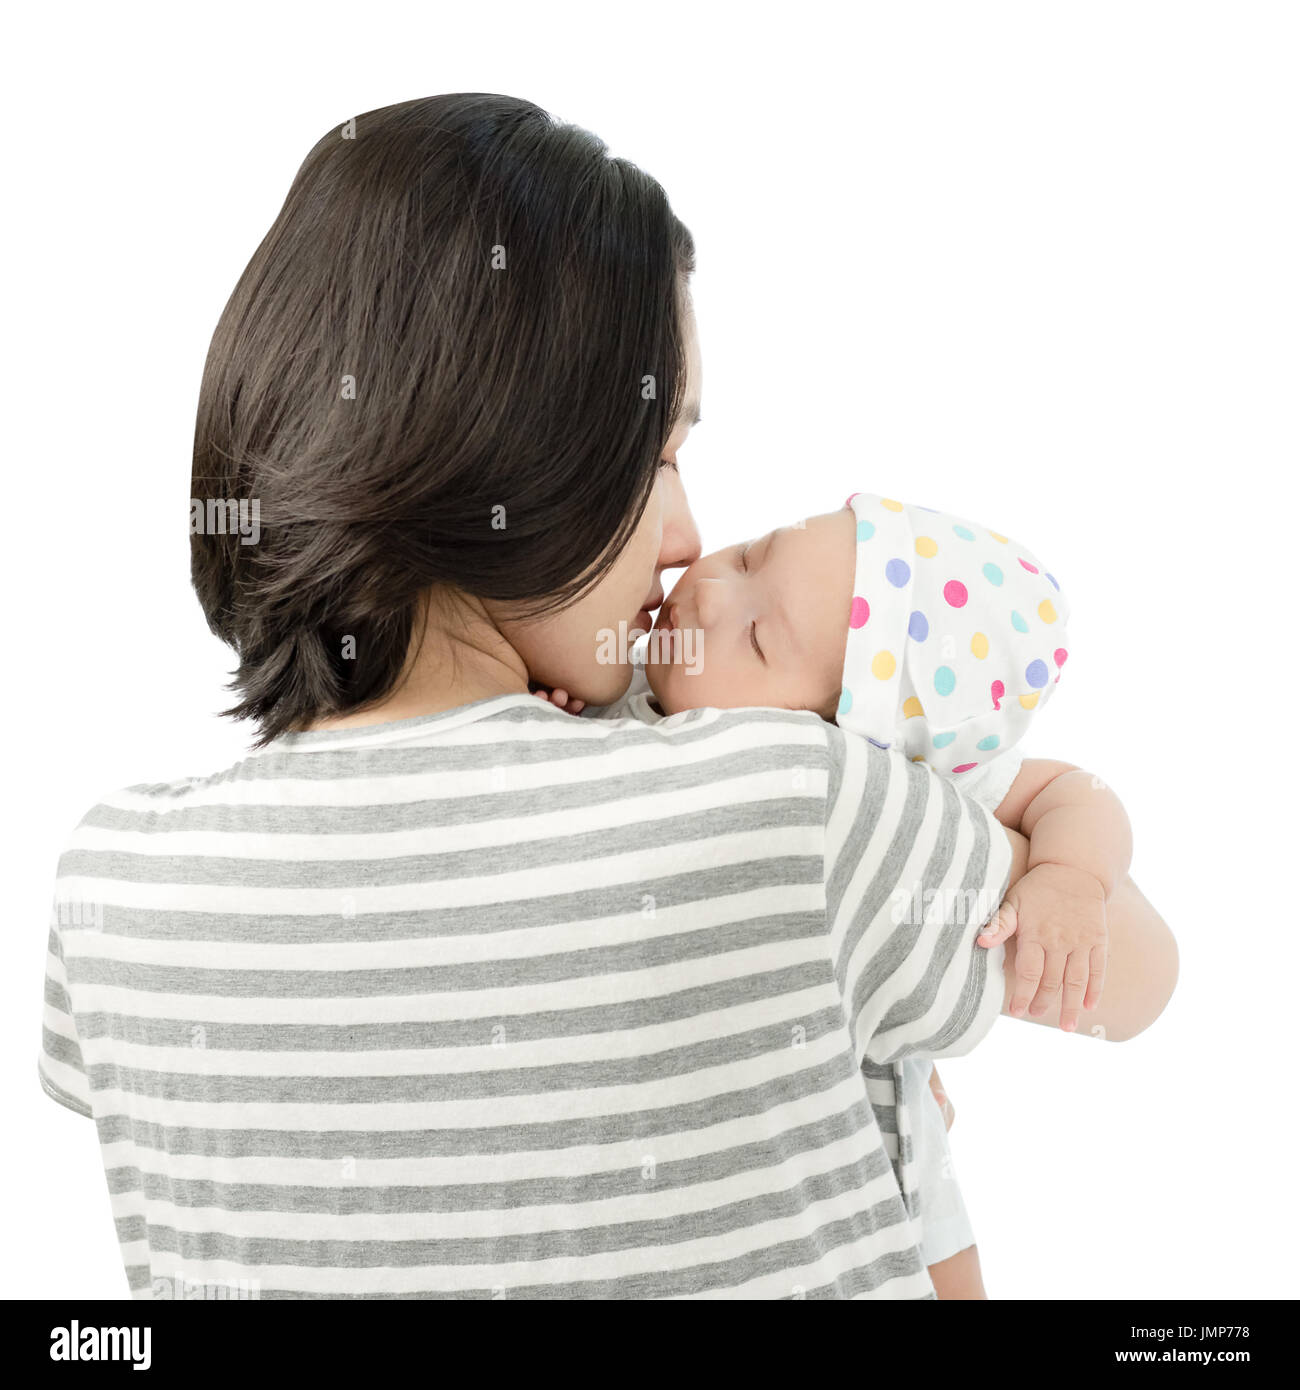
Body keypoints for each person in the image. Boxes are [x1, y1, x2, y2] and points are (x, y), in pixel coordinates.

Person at [38, 93, 1177, 1300]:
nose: (687, 534)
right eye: (661, 454)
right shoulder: (785, 801)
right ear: (521, 446)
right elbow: (1137, 978)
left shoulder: (109, 887)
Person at [559, 491, 1131, 1297]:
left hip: (877, 1125)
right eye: (753, 553)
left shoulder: (850, 778)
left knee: (937, 1241)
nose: (711, 590)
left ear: (845, 738)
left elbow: (1079, 791)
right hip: (716, 1147)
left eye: (756, 639)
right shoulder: (630, 690)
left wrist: (1070, 878)